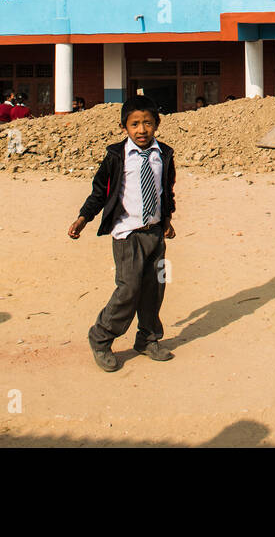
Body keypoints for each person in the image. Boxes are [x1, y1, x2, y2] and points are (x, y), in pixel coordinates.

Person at [69, 94, 178, 373]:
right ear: (123, 128)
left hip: (154, 234)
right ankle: (102, 337)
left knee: (155, 288)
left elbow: (167, 191)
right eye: (135, 124)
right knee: (129, 288)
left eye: (148, 123)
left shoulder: (164, 154)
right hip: (127, 234)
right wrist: (84, 218)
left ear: (158, 124)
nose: (142, 130)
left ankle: (148, 338)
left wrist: (166, 219)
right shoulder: (116, 156)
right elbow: (99, 191)